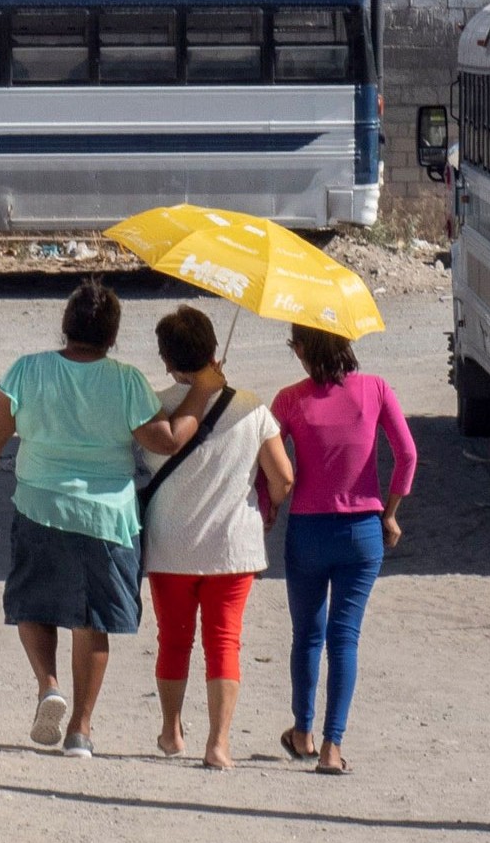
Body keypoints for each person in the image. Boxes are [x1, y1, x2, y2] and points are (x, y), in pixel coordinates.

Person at [0, 281, 211, 757]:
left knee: (32, 604)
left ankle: (48, 685)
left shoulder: (27, 372)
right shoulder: (126, 380)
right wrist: (200, 391)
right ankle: (80, 728)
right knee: (90, 621)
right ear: (112, 336)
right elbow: (167, 440)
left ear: (66, 325)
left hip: (40, 507)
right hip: (106, 517)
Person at [139, 306, 292, 769]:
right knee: (224, 642)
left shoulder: (153, 406)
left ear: (167, 361)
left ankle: (170, 730)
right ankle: (219, 744)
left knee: (173, 639)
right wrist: (268, 509)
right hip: (233, 547)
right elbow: (282, 478)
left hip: (169, 547)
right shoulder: (253, 408)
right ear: (212, 351)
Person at [266, 322, 410, 775]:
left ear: (304, 348)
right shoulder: (376, 389)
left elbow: (266, 459)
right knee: (344, 637)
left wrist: (268, 508)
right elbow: (406, 455)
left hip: (307, 530)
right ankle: (332, 748)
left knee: (307, 634)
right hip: (363, 532)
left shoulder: (288, 400)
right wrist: (390, 512)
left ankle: (302, 731)